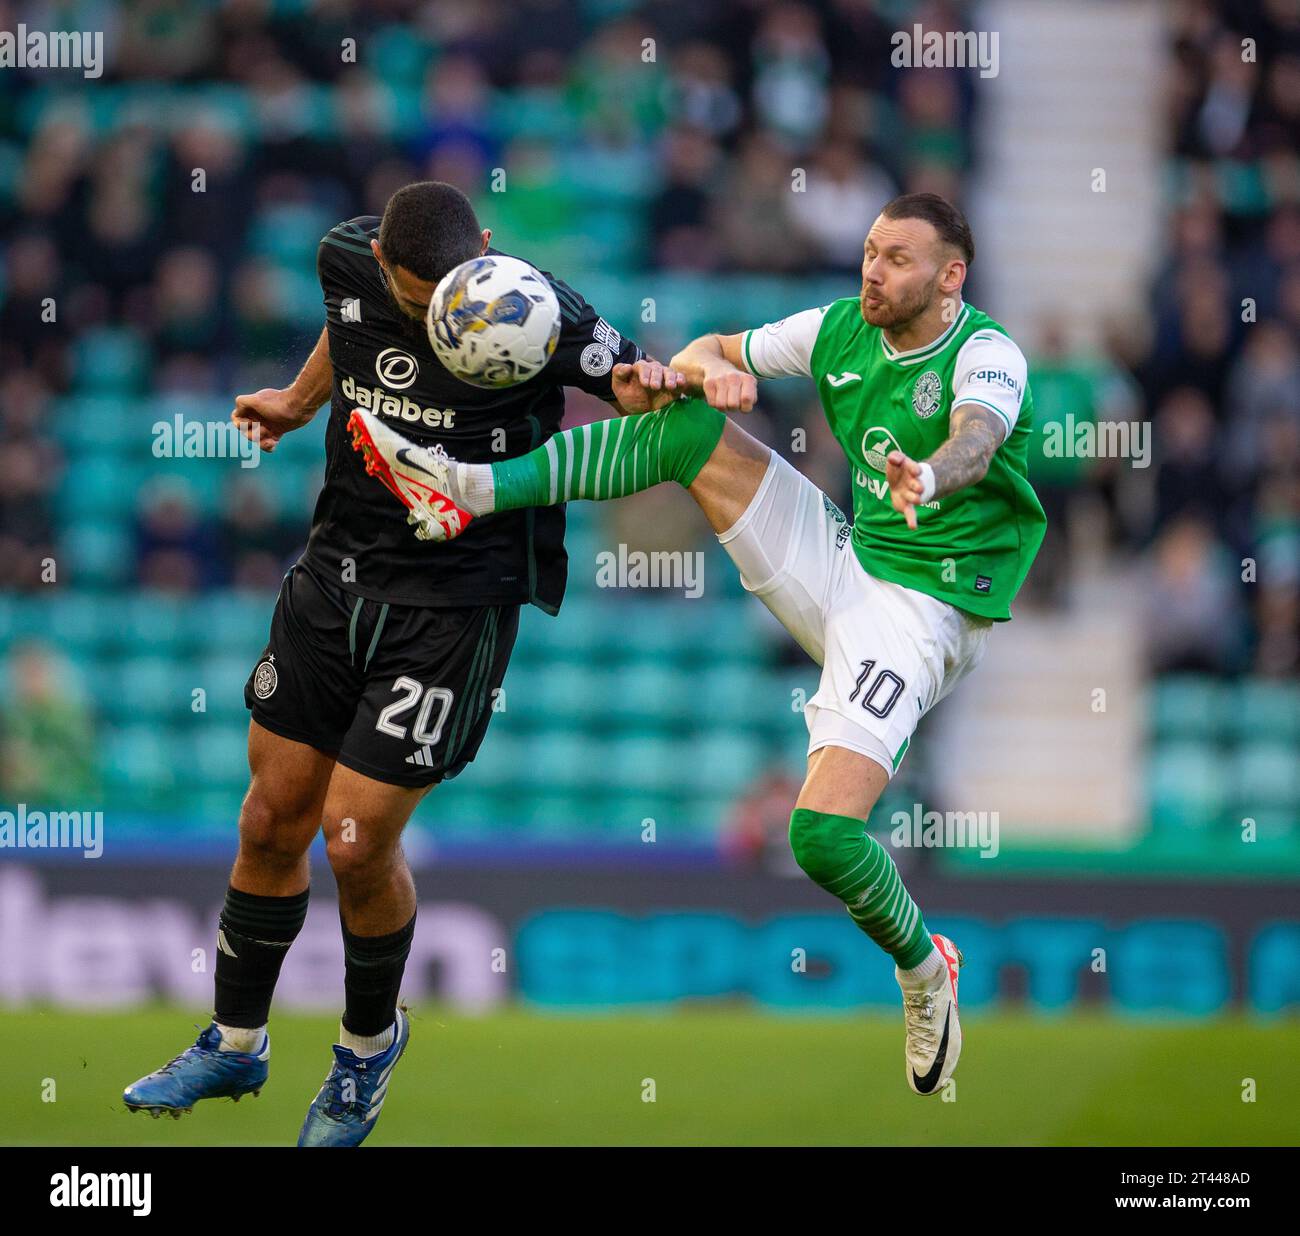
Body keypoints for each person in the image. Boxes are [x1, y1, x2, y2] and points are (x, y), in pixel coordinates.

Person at [356, 192, 1047, 1096]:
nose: (875, 271)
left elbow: (979, 439)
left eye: (900, 260)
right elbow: (710, 350)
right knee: (687, 430)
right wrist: (704, 371)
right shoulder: (841, 327)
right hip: (849, 561)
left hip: (924, 611)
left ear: (950, 277)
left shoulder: (986, 353)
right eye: (871, 251)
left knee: (823, 838)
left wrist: (931, 474)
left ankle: (925, 968)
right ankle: (472, 490)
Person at [122, 181, 665, 1145]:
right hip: (336, 577)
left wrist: (646, 383)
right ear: (382, 266)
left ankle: (365, 1054)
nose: (439, 317)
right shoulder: (345, 261)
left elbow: (628, 381)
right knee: (270, 816)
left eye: (452, 291)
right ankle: (236, 1039)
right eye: (418, 301)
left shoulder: (541, 311)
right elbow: (348, 327)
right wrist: (295, 402)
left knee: (356, 839)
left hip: (456, 606)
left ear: (488, 249)